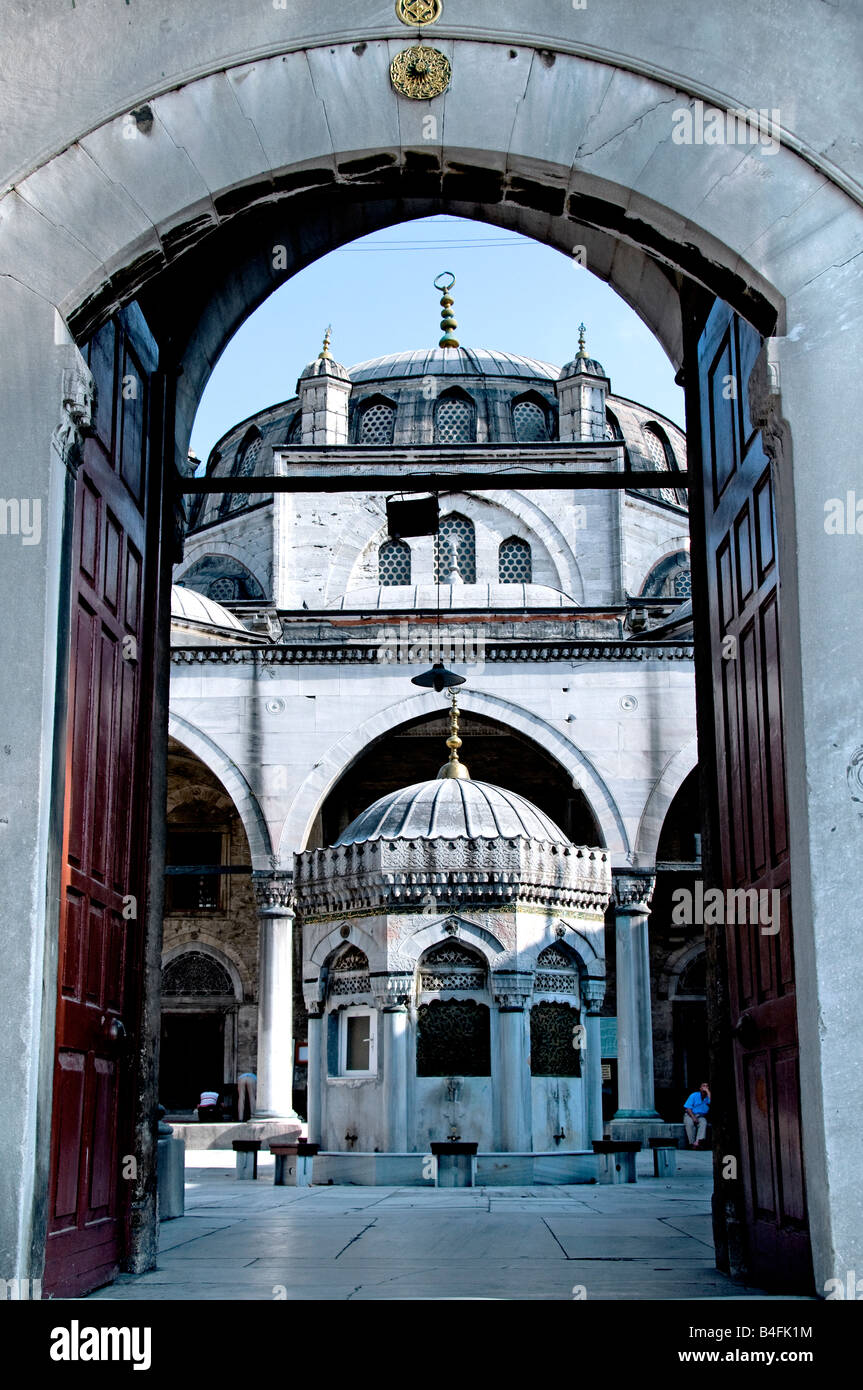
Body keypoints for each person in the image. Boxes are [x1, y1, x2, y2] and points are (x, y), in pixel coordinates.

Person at [683, 1080, 711, 1148]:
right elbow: (688, 1108)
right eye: (703, 1086)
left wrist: (708, 1092)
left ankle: (698, 1142)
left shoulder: (708, 1097)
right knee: (689, 1124)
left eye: (707, 1086)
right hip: (690, 1114)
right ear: (700, 1088)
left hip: (701, 1116)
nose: (705, 1087)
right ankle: (692, 1143)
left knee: (703, 1123)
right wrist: (693, 1117)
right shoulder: (694, 1095)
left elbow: (711, 1103)